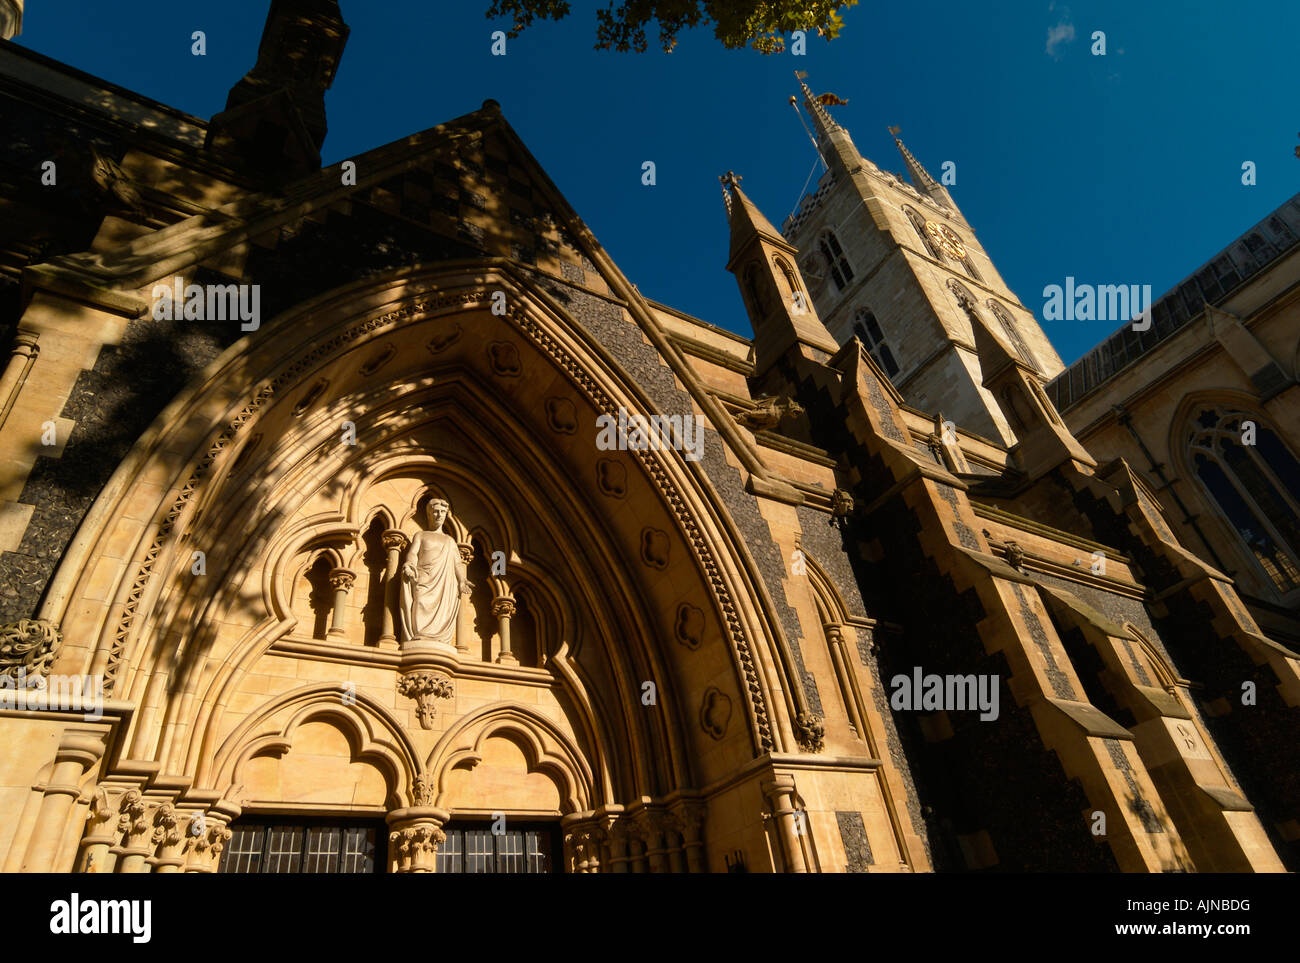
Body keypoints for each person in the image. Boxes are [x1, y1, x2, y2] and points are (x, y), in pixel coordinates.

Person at [399, 498, 471, 645]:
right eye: (436, 511)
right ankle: (419, 634)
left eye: (443, 512)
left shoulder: (449, 541)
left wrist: (462, 579)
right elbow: (413, 553)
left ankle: (438, 637)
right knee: (419, 602)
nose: (439, 515)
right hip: (424, 578)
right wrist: (409, 564)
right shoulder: (420, 535)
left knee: (443, 611)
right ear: (429, 514)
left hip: (443, 583)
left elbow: (457, 562)